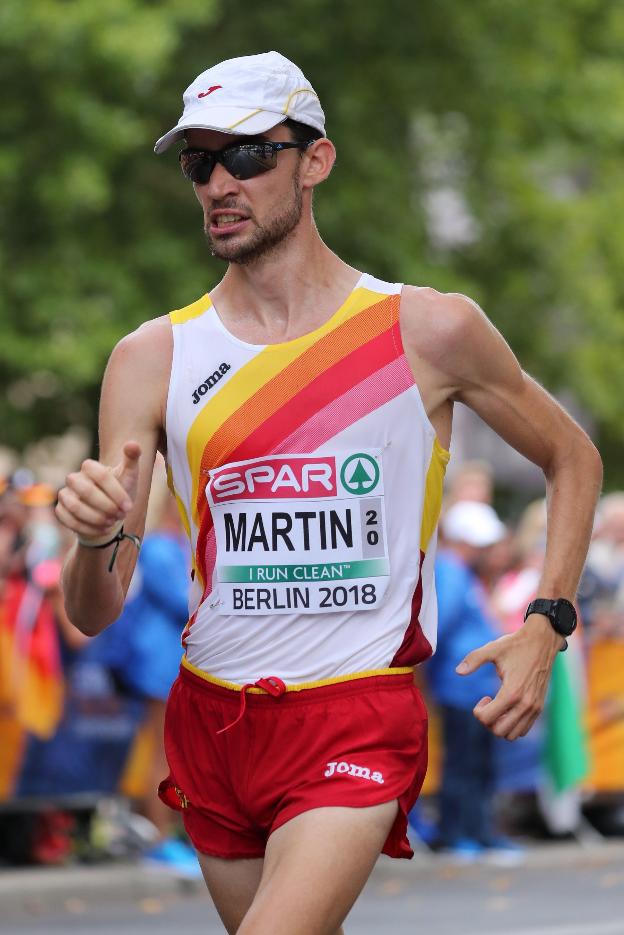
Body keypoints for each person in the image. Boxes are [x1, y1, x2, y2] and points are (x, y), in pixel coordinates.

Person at [55, 50, 602, 935]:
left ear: (316, 161)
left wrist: (548, 622)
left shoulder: (428, 328)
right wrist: (90, 538)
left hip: (353, 711)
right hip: (212, 716)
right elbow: (95, 611)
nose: (218, 184)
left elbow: (573, 457)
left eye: (246, 156)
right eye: (200, 162)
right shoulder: (151, 357)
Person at [425, 500, 511, 857]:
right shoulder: (450, 570)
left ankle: (477, 832)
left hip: (473, 684)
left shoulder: (459, 571)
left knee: (478, 762)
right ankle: (457, 833)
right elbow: (438, 627)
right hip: (460, 684)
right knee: (463, 762)